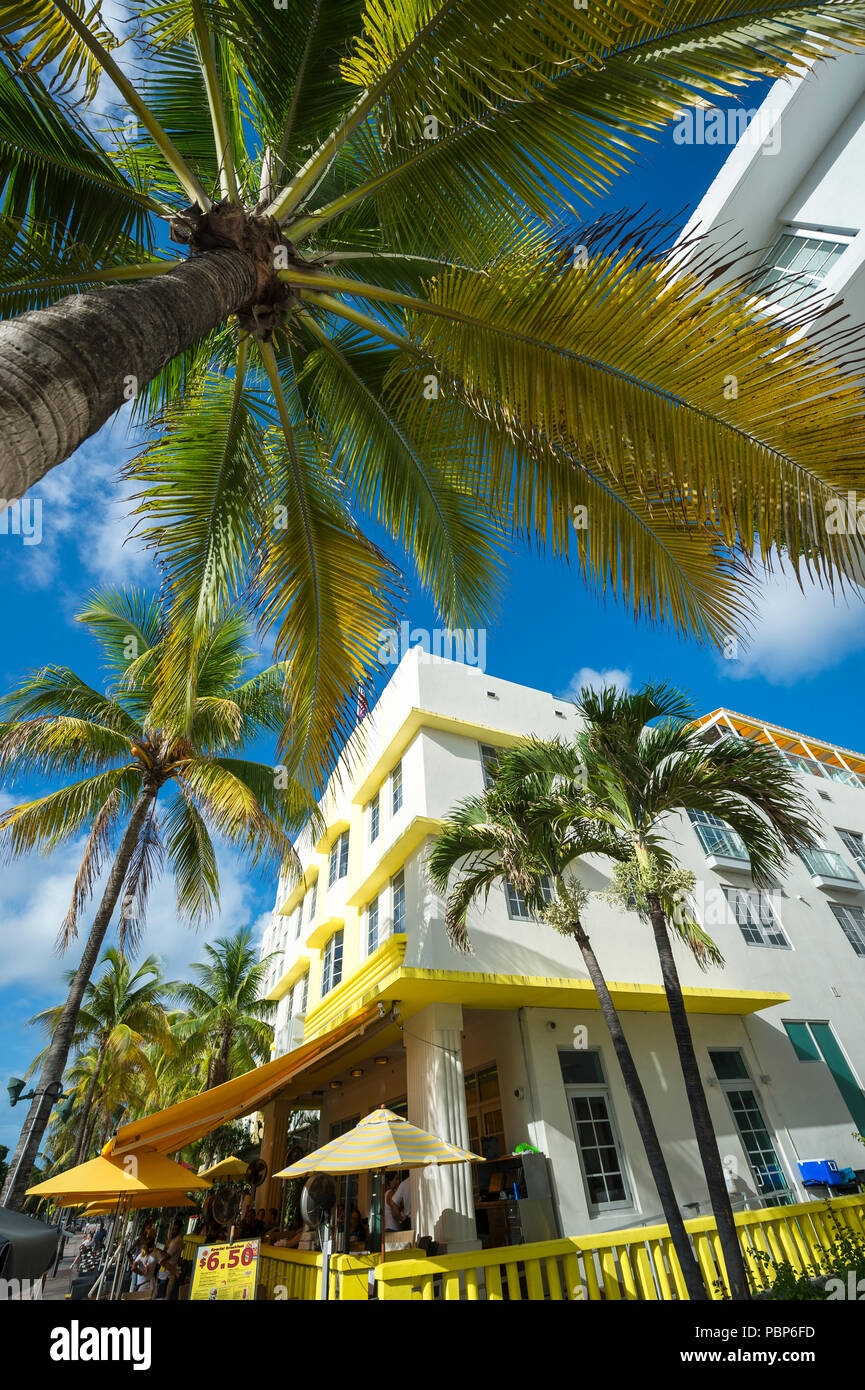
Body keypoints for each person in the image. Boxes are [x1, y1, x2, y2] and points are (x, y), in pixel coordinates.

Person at [157, 1219, 185, 1301]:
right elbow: (164, 1252)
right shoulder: (173, 1239)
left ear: (179, 1230)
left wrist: (160, 1254)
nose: (173, 1231)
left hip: (168, 1275)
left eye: (175, 1229)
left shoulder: (178, 1240)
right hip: (163, 1273)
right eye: (173, 1229)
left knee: (164, 1297)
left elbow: (165, 1257)